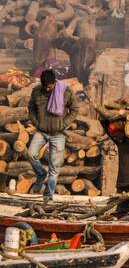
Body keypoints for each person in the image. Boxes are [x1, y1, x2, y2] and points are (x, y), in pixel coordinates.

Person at [26, 67, 77, 202]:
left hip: (58, 134)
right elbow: (31, 107)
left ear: (54, 82)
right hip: (41, 132)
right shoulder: (37, 91)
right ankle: (41, 174)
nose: (47, 89)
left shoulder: (66, 92)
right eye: (45, 87)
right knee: (30, 154)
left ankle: (48, 196)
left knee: (54, 168)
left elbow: (74, 110)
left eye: (49, 87)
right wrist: (36, 122)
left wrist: (64, 123)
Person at [100, 115, 129, 217]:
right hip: (125, 183)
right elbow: (105, 124)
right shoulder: (121, 141)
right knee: (122, 211)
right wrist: (112, 113)